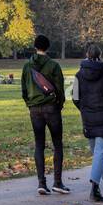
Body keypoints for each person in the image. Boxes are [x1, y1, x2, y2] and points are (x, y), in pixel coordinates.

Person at [72, 43, 103, 203]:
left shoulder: (79, 75)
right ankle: (94, 187)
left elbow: (75, 97)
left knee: (98, 153)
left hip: (88, 118)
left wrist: (84, 109)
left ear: (87, 54)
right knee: (99, 153)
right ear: (100, 55)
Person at [21, 34, 69, 196]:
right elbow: (60, 89)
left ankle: (41, 183)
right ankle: (57, 182)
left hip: (35, 109)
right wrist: (59, 104)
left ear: (35, 47)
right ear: (47, 47)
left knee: (39, 144)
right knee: (57, 144)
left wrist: (30, 103)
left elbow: (24, 90)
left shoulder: (27, 66)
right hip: (51, 108)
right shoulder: (53, 65)